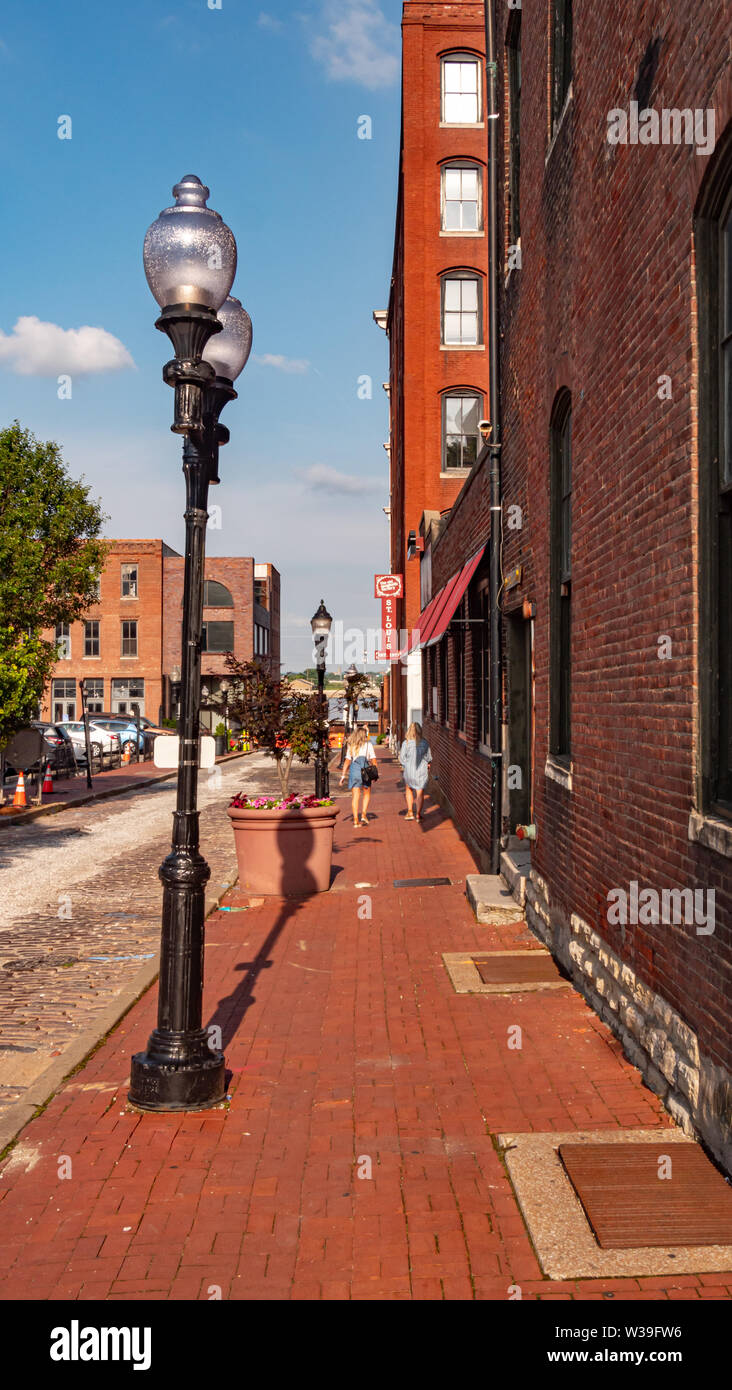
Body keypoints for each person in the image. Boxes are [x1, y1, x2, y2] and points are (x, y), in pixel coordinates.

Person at [339, 726, 378, 827]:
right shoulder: (369, 745)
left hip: (354, 771)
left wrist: (343, 775)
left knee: (355, 797)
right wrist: (375, 775)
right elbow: (373, 760)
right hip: (365, 771)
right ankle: (364, 814)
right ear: (364, 735)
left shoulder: (352, 745)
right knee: (366, 793)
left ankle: (356, 820)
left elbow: (347, 761)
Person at [399, 722, 432, 821]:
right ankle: (418, 814)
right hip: (421, 771)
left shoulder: (406, 743)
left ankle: (409, 812)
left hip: (409, 771)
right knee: (420, 792)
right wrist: (428, 764)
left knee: (409, 789)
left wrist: (406, 764)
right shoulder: (425, 743)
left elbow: (402, 759)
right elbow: (428, 757)